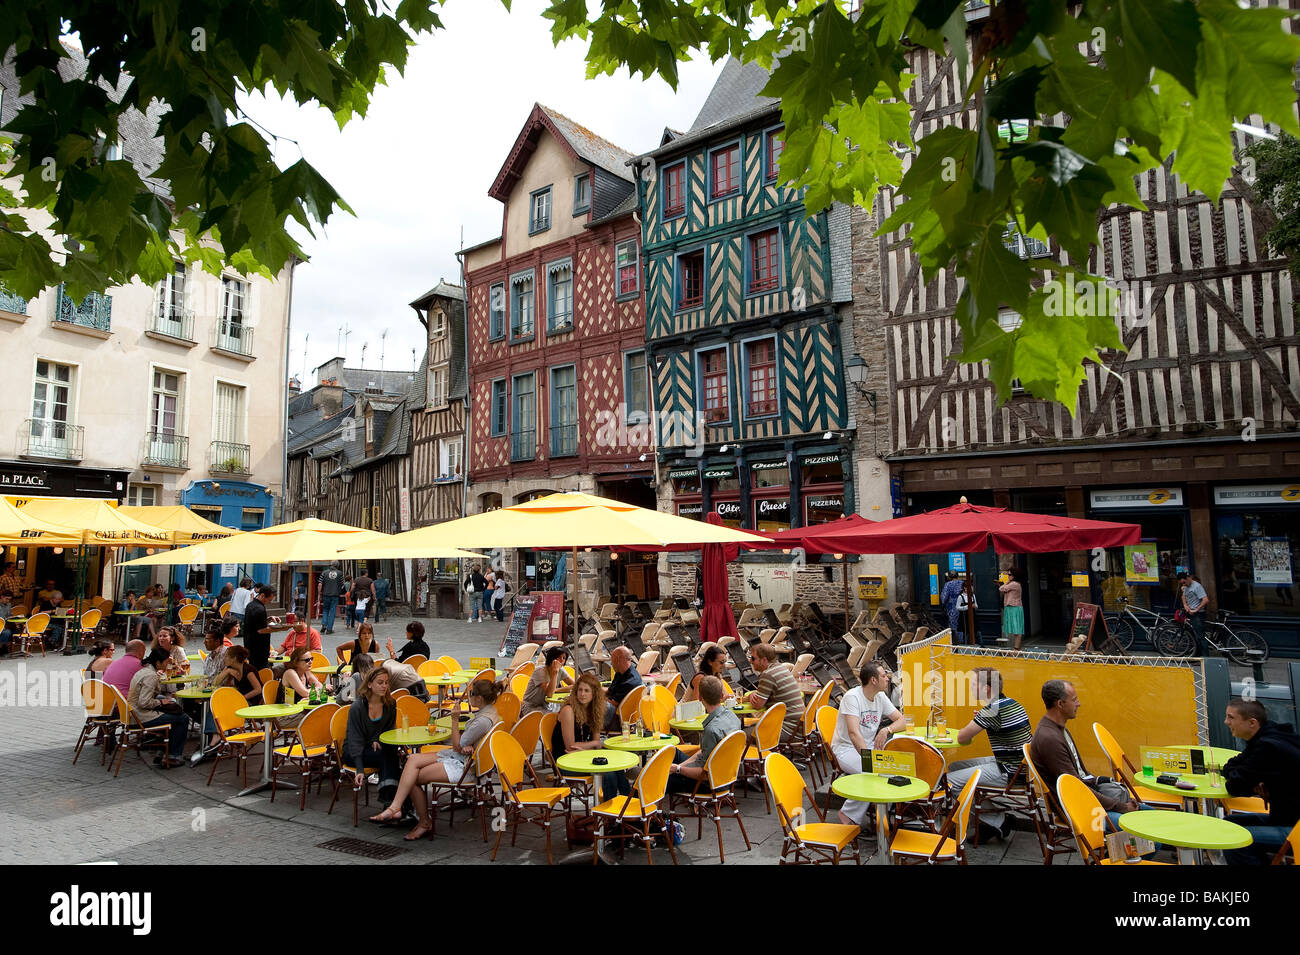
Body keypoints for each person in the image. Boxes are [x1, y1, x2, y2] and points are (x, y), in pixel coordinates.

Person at [370, 678, 503, 840]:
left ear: (479, 698)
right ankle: (396, 807)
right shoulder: (491, 713)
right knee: (412, 760)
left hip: (466, 767)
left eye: (471, 694)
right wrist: (470, 746)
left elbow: (456, 745)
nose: (469, 697)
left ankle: (424, 822)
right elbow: (462, 744)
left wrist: (455, 719)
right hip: (465, 757)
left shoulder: (482, 721)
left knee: (411, 778)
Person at [1029, 680, 1138, 825]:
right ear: (1060, 704)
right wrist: (1121, 807)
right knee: (1149, 834)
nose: (1079, 704)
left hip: (1087, 800)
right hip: (1080, 812)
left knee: (1150, 815)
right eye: (1074, 700)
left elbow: (1081, 779)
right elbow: (1077, 789)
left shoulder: (1058, 729)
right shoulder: (1050, 739)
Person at [948, 668, 1032, 842]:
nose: (970, 688)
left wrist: (982, 718)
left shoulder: (992, 711)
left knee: (949, 782)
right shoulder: (1011, 702)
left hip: (1011, 772)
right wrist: (983, 718)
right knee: (954, 767)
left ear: (986, 688)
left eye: (973, 684)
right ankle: (983, 822)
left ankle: (998, 821)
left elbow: (962, 738)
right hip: (1021, 766)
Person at [1222, 698, 1300, 864]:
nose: (1226, 722)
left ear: (1252, 723)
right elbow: (1232, 765)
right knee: (1228, 823)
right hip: (1285, 817)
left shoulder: (1268, 746)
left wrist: (1250, 780)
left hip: (1294, 829)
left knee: (1233, 839)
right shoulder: (1266, 737)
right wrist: (1254, 780)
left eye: (1231, 717)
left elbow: (1234, 786)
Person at [831, 661, 907, 825]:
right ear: (873, 680)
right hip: (846, 749)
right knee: (873, 772)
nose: (887, 678)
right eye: (883, 675)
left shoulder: (879, 696)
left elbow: (903, 720)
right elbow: (853, 733)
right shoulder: (852, 697)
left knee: (895, 767)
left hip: (869, 747)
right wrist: (870, 759)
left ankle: (884, 814)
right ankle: (848, 814)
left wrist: (886, 730)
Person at [554, 673, 627, 797]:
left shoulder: (594, 710)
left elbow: (597, 743)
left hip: (583, 755)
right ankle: (610, 811)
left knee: (616, 766)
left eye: (587, 691)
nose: (582, 694)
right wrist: (593, 744)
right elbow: (571, 747)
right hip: (565, 761)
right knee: (609, 773)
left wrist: (589, 746)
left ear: (594, 694)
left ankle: (626, 802)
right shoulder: (568, 710)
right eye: (580, 690)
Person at [667, 676, 741, 794]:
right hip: (727, 776)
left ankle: (636, 801)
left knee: (660, 780)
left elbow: (705, 774)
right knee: (672, 752)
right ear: (722, 696)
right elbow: (705, 753)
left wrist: (678, 769)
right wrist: (680, 766)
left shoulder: (711, 730)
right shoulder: (733, 717)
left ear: (700, 697)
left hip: (709, 783)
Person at [342, 666, 401, 812]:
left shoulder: (390, 704)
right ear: (369, 684)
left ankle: (393, 804)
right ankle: (392, 802)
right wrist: (360, 769)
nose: (384, 686)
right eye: (380, 683)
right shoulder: (357, 707)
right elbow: (354, 739)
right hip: (354, 751)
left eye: (386, 683)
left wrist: (376, 738)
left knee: (393, 754)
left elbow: (388, 730)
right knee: (389, 757)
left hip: (374, 747)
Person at [128, 647, 189, 767]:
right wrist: (161, 703)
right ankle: (173, 756)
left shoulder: (143, 671)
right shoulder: (151, 676)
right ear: (158, 663)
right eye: (166, 662)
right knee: (182, 719)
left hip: (132, 713)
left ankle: (162, 751)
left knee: (172, 713)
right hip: (140, 716)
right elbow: (144, 702)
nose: (168, 665)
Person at [746, 643, 804, 742]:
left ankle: (759, 755)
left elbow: (758, 705)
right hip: (800, 726)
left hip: (788, 728)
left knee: (741, 735)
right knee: (753, 726)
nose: (750, 661)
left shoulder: (768, 675)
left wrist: (751, 695)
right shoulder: (781, 668)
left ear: (764, 660)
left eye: (753, 658)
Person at [521, 646, 572, 717]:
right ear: (551, 658)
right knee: (556, 717)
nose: (561, 660)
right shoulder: (540, 671)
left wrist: (557, 690)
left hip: (548, 705)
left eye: (564, 658)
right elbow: (549, 694)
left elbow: (575, 685)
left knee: (568, 711)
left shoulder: (561, 670)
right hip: (532, 707)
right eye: (558, 657)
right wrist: (555, 672)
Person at [240, 584, 275, 670]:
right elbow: (261, 630)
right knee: (259, 670)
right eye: (269, 600)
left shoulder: (251, 605)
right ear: (262, 595)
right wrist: (280, 628)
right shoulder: (259, 609)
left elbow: (255, 623)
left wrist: (267, 620)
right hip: (259, 648)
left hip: (249, 645)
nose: (269, 603)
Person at [1178, 571, 1209, 648]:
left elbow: (1205, 600)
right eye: (1182, 583)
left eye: (1184, 582)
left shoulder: (1197, 586)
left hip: (1198, 614)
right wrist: (1185, 605)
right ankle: (1196, 656)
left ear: (1188, 578)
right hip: (1190, 613)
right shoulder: (1186, 586)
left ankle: (1205, 658)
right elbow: (1183, 596)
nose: (1183, 585)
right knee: (1194, 636)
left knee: (1200, 636)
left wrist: (1196, 609)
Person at [999, 569, 1024, 650]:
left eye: (1010, 575)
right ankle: (1016, 648)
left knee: (1017, 629)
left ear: (1014, 576)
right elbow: (1002, 588)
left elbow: (1001, 588)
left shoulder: (1014, 584)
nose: (1008, 576)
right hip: (1011, 607)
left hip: (1015, 608)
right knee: (1015, 628)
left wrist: (1006, 582)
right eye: (1008, 574)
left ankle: (1016, 648)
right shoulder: (1013, 583)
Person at [319, 562, 343, 634]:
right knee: (332, 612)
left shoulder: (324, 572)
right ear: (337, 566)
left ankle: (324, 625)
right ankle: (329, 629)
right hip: (335, 595)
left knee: (325, 610)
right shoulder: (340, 573)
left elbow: (320, 584)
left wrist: (319, 593)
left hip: (326, 594)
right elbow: (342, 584)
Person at [940, 571, 963, 639]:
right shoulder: (962, 583)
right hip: (962, 605)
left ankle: (955, 641)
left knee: (953, 624)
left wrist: (943, 602)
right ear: (957, 576)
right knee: (961, 624)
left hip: (952, 607)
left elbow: (944, 598)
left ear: (949, 577)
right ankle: (962, 640)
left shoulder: (948, 584)